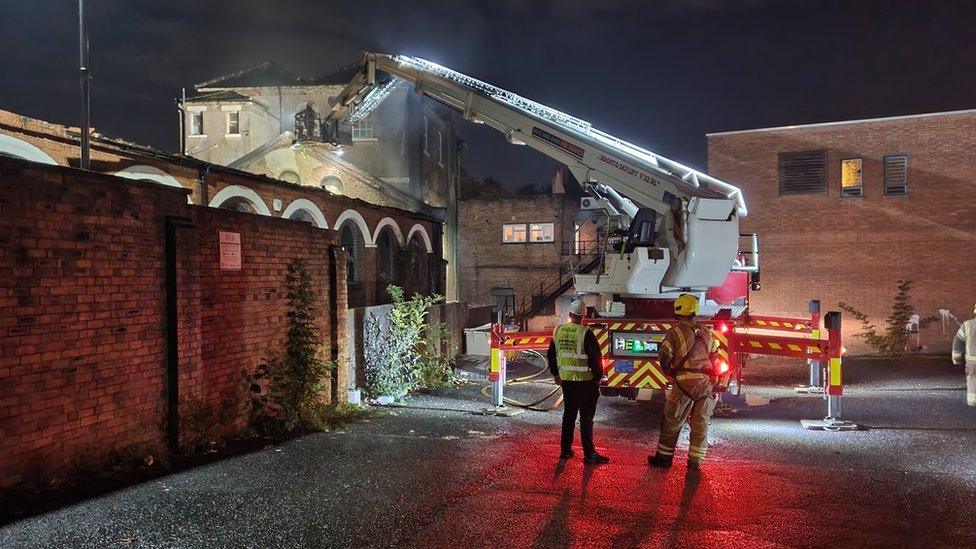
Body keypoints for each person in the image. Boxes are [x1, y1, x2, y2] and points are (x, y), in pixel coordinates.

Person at [648, 293, 719, 470]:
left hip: (683, 385)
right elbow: (714, 354)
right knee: (700, 423)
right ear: (695, 311)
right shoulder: (706, 331)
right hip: (704, 386)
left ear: (678, 310)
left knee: (672, 422)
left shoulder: (675, 332)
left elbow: (665, 356)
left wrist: (670, 372)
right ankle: (695, 461)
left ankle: (664, 459)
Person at [547, 298, 610, 464]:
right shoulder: (585, 333)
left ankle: (565, 450)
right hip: (586, 382)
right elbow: (595, 358)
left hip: (567, 382)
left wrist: (556, 374)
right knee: (586, 419)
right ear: (583, 316)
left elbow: (551, 354)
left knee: (569, 416)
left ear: (570, 314)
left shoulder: (558, 330)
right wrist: (598, 378)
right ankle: (589, 454)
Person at [951, 304, 976, 407]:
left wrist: (956, 359)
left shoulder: (967, 325)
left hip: (972, 362)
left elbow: (958, 342)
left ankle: (973, 401)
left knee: (973, 379)